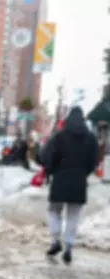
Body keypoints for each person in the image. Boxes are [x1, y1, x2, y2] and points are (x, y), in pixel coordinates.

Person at [42, 106, 99, 265]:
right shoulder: (91, 139)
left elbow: (48, 156)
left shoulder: (59, 136)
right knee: (73, 215)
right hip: (79, 182)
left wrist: (51, 171)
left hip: (60, 180)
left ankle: (55, 240)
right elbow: (93, 162)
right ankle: (68, 246)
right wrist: (83, 173)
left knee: (54, 210)